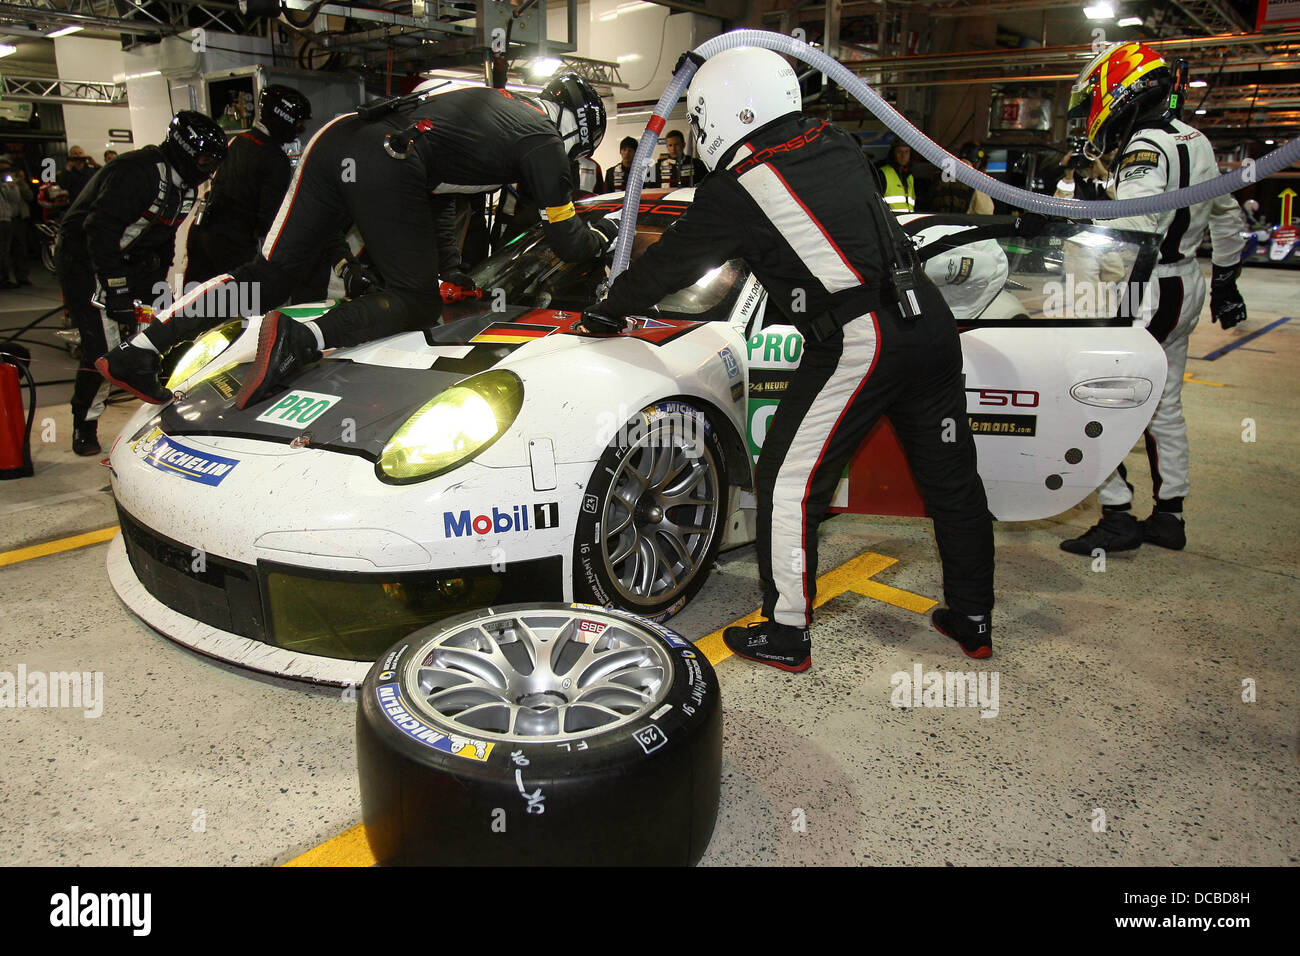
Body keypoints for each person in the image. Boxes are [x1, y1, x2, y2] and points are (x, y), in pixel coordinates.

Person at [582, 47, 996, 669]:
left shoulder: (739, 183)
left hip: (864, 336)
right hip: (928, 321)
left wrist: (609, 308)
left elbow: (675, 263)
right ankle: (971, 616)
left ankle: (786, 631)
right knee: (953, 479)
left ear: (722, 108)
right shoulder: (832, 142)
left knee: (786, 480)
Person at [98, 74, 616, 411]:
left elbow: (438, 196)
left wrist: (452, 267)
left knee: (265, 276)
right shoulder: (542, 137)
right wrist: (602, 238)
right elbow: (567, 240)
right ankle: (300, 341)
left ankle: (140, 351)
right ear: (578, 127)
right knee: (415, 301)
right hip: (387, 158)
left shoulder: (497, 105)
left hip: (338, 137)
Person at [1059, 41, 1246, 556]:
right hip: (1186, 283)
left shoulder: (1144, 146)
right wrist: (1227, 278)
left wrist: (1090, 209)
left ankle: (1117, 513)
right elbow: (1229, 214)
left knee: (1097, 399)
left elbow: (1137, 224)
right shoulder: (1196, 140)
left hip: (1147, 288)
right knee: (1164, 404)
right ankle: (1170, 516)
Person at [56, 111, 227, 456]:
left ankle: (147, 403)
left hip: (130, 260)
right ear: (184, 149)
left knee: (137, 338)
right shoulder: (136, 172)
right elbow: (98, 231)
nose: (209, 169)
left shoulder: (186, 187)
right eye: (206, 159)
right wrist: (116, 288)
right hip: (84, 259)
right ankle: (84, 423)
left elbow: (162, 237)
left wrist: (157, 285)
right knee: (102, 349)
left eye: (215, 163)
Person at [185, 85, 312, 284]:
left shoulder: (237, 141)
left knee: (193, 305)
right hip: (232, 246)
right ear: (284, 119)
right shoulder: (275, 159)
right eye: (298, 123)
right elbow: (270, 220)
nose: (300, 130)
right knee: (241, 309)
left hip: (201, 233)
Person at [878, 137, 916, 212]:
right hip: (889, 222)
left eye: (906, 152)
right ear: (893, 154)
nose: (903, 156)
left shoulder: (909, 177)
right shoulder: (883, 173)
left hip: (907, 221)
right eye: (899, 152)